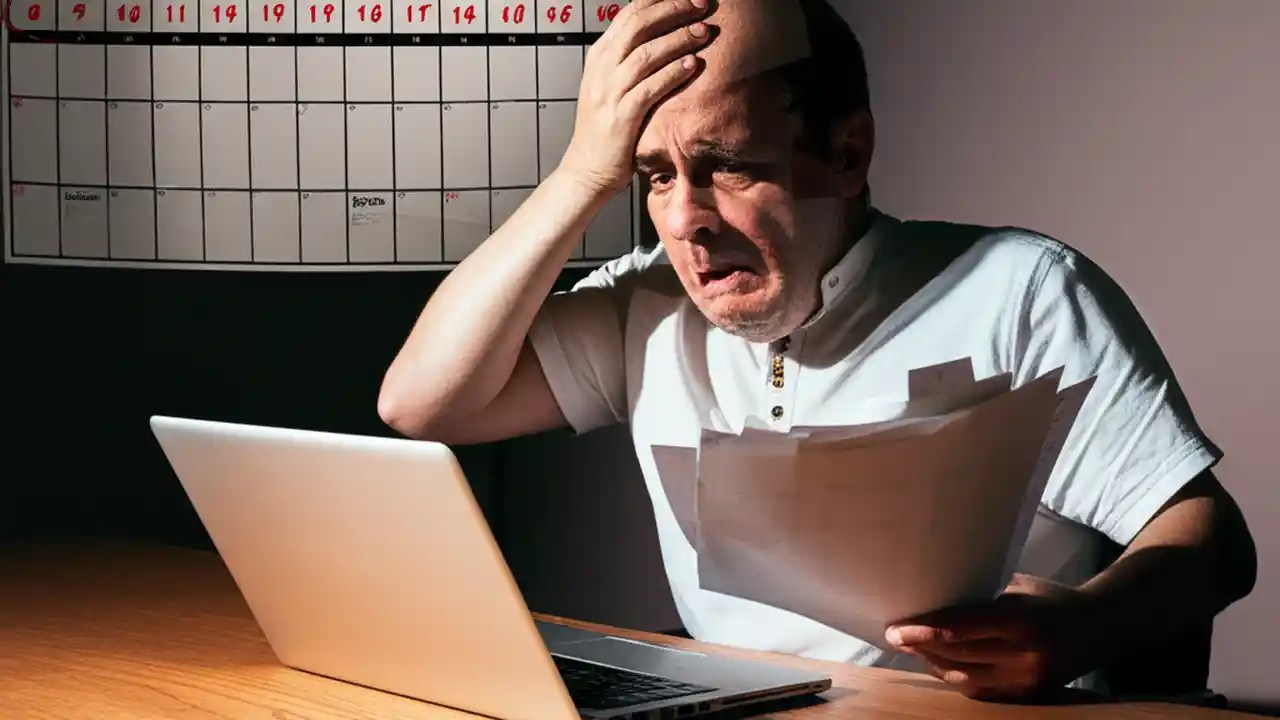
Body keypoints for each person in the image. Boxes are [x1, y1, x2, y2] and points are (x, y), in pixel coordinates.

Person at [377, 0, 1256, 700]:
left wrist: (1083, 630)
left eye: (728, 164)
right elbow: (421, 403)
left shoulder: (1018, 289)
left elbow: (1212, 541)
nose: (686, 220)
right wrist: (581, 171)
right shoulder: (644, 300)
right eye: (653, 175)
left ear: (847, 151)